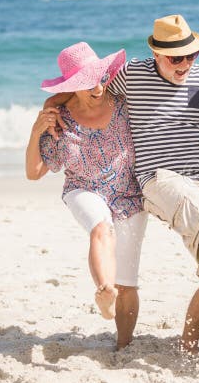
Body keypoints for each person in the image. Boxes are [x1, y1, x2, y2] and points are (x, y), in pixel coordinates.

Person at [45, 15, 199, 352]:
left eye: (191, 56)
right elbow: (86, 93)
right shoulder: (132, 75)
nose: (185, 64)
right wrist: (51, 105)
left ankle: (188, 342)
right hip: (157, 179)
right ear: (157, 54)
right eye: (176, 58)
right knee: (192, 204)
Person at [26, 42, 147, 349]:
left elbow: (167, 109)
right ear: (72, 87)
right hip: (83, 188)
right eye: (86, 82)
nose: (97, 88)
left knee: (128, 280)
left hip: (129, 194)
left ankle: (123, 344)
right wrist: (35, 131)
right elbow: (35, 172)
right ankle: (104, 290)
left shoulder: (124, 104)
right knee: (100, 226)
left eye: (100, 78)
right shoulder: (60, 119)